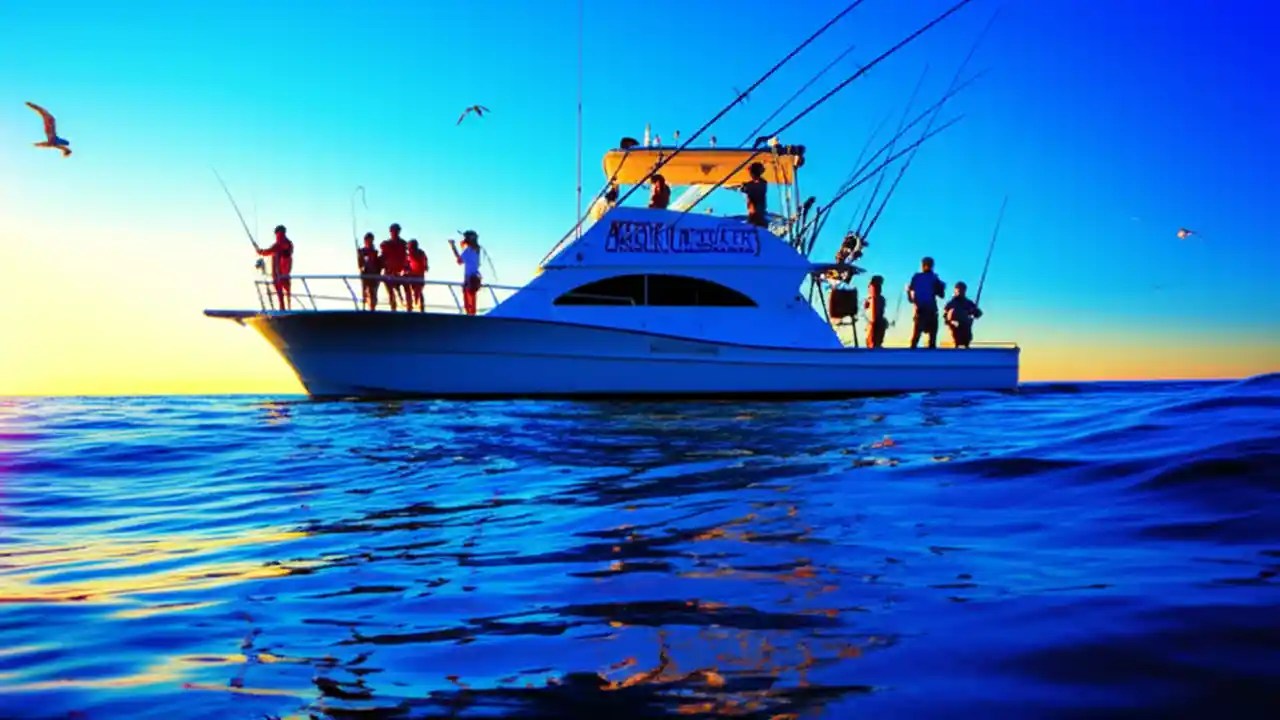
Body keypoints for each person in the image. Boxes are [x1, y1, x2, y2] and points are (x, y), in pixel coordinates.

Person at [906, 256, 945, 349]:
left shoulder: (933, 278)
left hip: (930, 311)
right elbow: (911, 297)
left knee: (930, 339)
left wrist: (939, 286)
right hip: (921, 311)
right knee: (916, 338)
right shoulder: (918, 277)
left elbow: (941, 294)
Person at [257, 224, 294, 310]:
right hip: (281, 275)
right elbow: (272, 250)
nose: (280, 235)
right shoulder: (286, 244)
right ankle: (284, 309)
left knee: (284, 294)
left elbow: (274, 249)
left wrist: (261, 252)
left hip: (282, 275)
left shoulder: (283, 244)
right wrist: (262, 252)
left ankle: (286, 310)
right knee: (283, 294)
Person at [448, 230, 483, 316]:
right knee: (472, 304)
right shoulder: (477, 250)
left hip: (470, 279)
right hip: (475, 278)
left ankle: (470, 318)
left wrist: (453, 247)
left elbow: (459, 261)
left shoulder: (469, 250)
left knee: (469, 305)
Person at [944, 281, 983, 348]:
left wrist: (974, 312)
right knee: (955, 341)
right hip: (954, 328)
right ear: (955, 290)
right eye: (958, 289)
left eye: (962, 289)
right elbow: (945, 316)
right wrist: (951, 322)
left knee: (966, 340)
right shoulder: (951, 304)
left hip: (965, 327)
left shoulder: (968, 303)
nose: (960, 291)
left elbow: (978, 313)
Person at [379, 223, 408, 311]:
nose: (395, 232)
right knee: (391, 294)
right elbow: (383, 258)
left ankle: (409, 307)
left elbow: (406, 258)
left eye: (397, 230)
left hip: (400, 274)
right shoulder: (386, 244)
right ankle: (393, 308)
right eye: (393, 230)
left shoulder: (403, 244)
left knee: (407, 289)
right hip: (389, 273)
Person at [356, 232, 381, 311]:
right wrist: (360, 255)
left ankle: (372, 308)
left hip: (374, 274)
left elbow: (377, 263)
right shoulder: (362, 251)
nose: (369, 241)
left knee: (373, 292)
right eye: (367, 240)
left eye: (371, 240)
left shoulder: (375, 251)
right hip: (365, 274)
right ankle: (364, 308)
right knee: (365, 292)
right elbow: (360, 264)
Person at [740, 162, 768, 227]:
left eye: (751, 172)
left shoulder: (761, 183)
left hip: (757, 214)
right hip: (754, 214)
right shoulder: (756, 183)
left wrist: (745, 187)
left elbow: (753, 189)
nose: (751, 174)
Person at [864, 274, 888, 349]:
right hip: (875, 323)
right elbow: (874, 315)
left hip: (875, 323)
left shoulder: (877, 299)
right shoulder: (875, 299)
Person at [405, 239, 429, 312]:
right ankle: (410, 307)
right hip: (412, 276)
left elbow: (423, 266)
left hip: (418, 277)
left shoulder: (420, 254)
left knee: (418, 293)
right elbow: (407, 265)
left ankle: (421, 308)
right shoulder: (409, 255)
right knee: (410, 290)